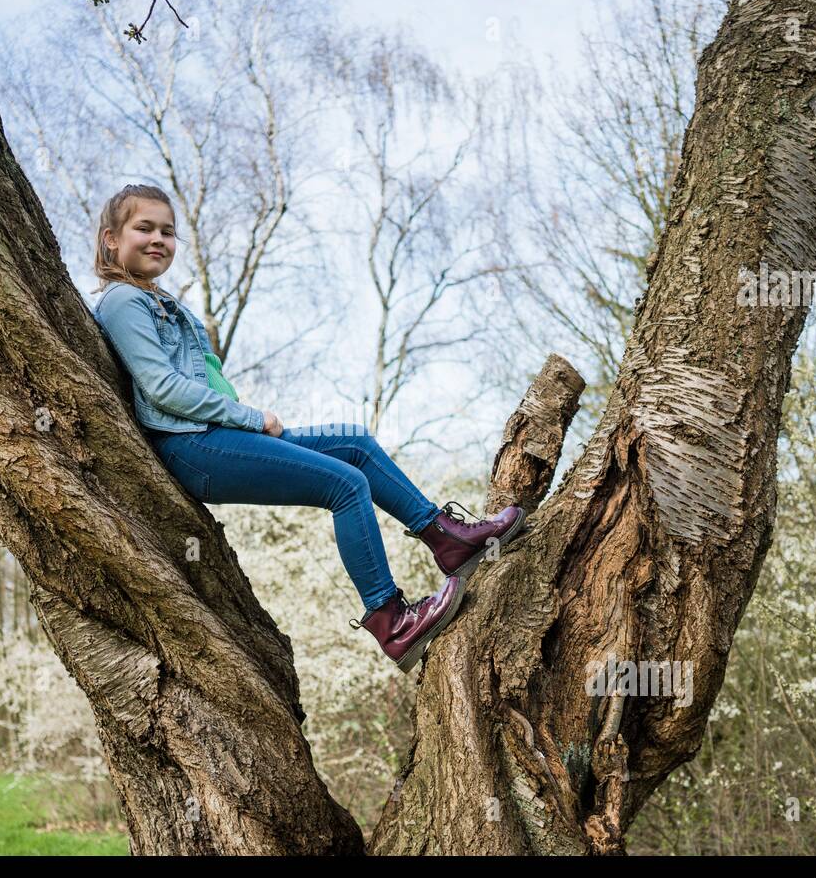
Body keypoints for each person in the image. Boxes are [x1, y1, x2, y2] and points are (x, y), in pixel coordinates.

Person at [87, 183, 525, 672]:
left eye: (167, 231)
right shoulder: (124, 301)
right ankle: (392, 620)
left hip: (219, 437)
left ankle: (447, 538)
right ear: (110, 239)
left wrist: (245, 427)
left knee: (354, 445)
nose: (158, 240)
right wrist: (252, 418)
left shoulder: (162, 301)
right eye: (143, 228)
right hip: (192, 446)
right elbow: (163, 388)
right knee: (345, 484)